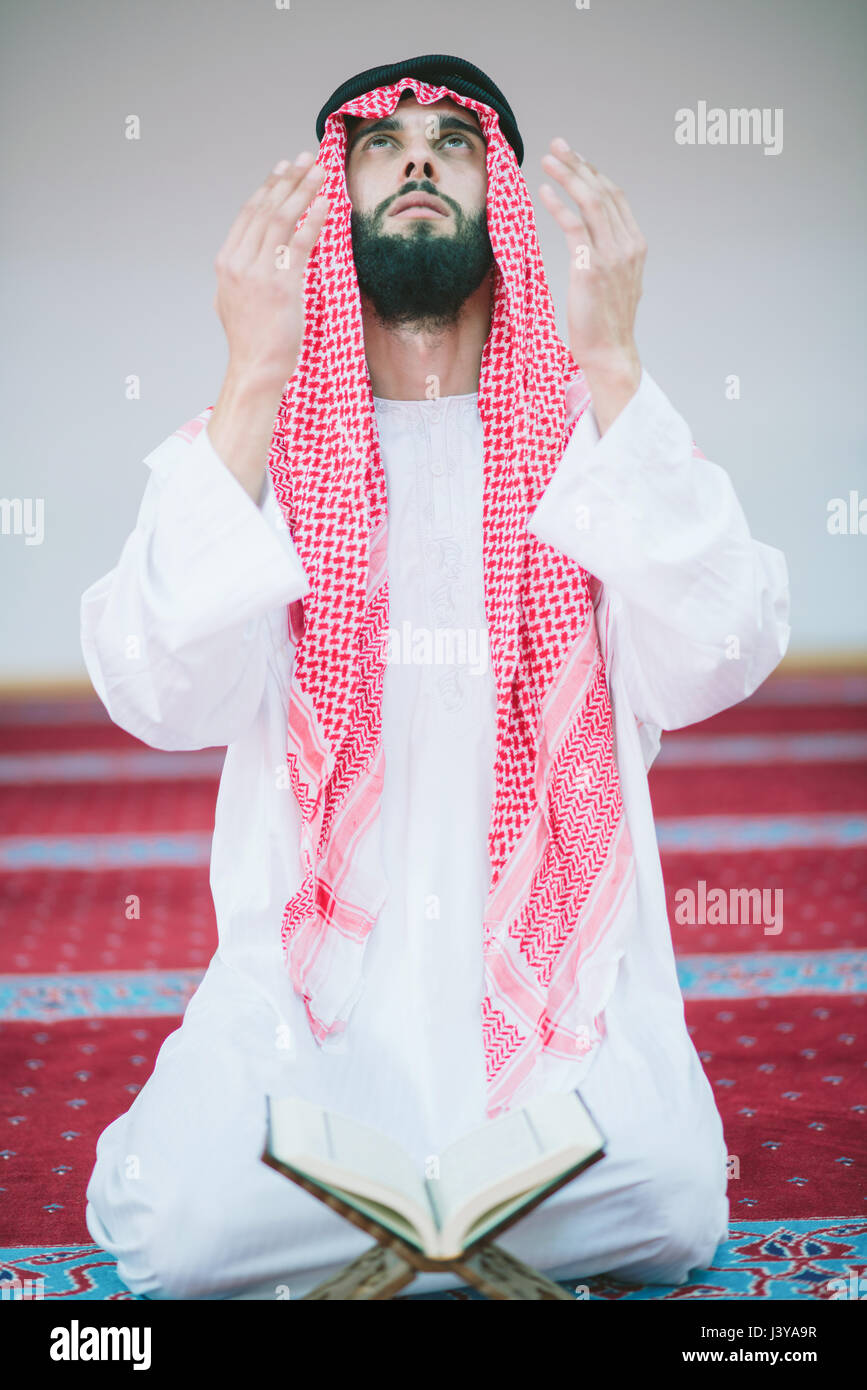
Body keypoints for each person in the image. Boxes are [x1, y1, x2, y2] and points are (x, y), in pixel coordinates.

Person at [80, 55, 790, 1300]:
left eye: (454, 142)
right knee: (178, 1230)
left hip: (559, 999)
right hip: (317, 1012)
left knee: (672, 1196)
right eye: (381, 143)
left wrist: (615, 361)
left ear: (502, 202)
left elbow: (724, 650)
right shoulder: (264, 450)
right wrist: (251, 376)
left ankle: (398, 1233)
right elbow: (156, 693)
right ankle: (452, 1228)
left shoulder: (589, 440)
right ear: (331, 209)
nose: (417, 159)